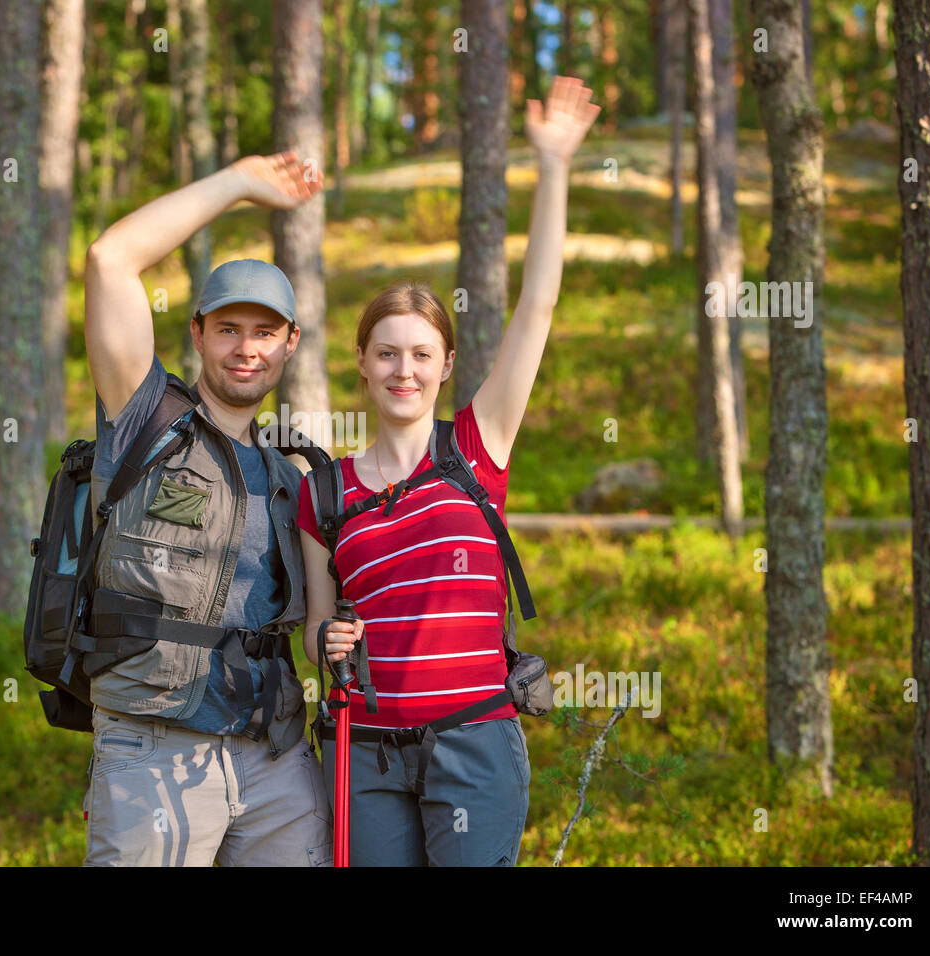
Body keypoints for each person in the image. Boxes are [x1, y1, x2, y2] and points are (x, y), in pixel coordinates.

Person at [296, 76, 601, 866]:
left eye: (421, 354)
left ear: (446, 365)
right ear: (362, 363)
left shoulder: (475, 446)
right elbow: (314, 630)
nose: (404, 369)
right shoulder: (323, 491)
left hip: (474, 743)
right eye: (386, 353)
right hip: (366, 754)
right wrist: (327, 638)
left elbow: (537, 307)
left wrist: (554, 166)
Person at [82, 150, 332, 866]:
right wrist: (238, 185)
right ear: (196, 333)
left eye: (264, 333)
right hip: (153, 742)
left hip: (275, 754)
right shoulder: (143, 417)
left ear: (289, 343)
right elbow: (108, 260)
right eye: (228, 329)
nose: (245, 349)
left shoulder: (292, 477)